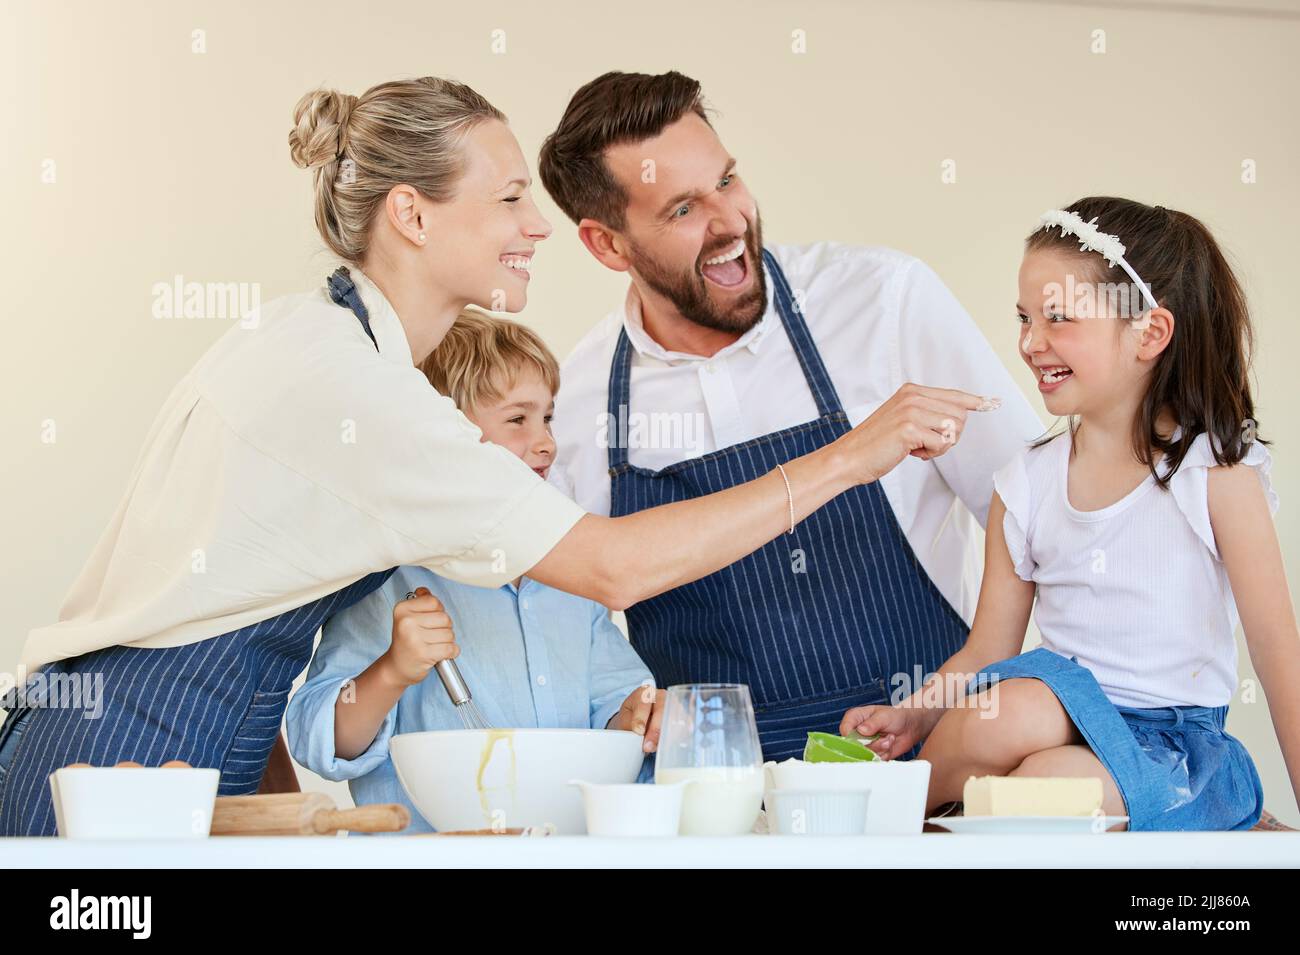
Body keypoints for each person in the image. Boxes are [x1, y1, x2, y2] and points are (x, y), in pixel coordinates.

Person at [0, 76, 991, 835]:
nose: (535, 225)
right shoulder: (356, 389)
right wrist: (849, 458)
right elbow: (612, 565)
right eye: (511, 197)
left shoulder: (316, 345)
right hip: (122, 757)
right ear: (412, 215)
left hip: (169, 754)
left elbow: (235, 615)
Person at [538, 70, 1044, 761]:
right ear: (607, 245)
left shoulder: (882, 303)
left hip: (925, 766)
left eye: (727, 181)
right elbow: (567, 639)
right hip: (711, 798)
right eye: (682, 210)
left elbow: (1042, 524)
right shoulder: (575, 404)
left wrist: (972, 704)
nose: (729, 222)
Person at [842, 197, 1300, 830]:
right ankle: (875, 820)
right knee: (1005, 713)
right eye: (1024, 318)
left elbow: (1279, 657)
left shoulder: (1215, 476)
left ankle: (942, 817)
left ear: (1150, 334)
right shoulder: (1025, 483)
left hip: (1172, 748)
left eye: (1058, 318)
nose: (1030, 343)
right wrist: (916, 714)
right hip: (1060, 711)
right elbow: (986, 649)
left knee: (1042, 784)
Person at [286, 315, 660, 833]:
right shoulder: (388, 579)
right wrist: (393, 670)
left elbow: (615, 715)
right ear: (445, 437)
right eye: (518, 420)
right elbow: (322, 740)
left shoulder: (573, 584)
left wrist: (636, 716)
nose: (546, 443)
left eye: (548, 418)